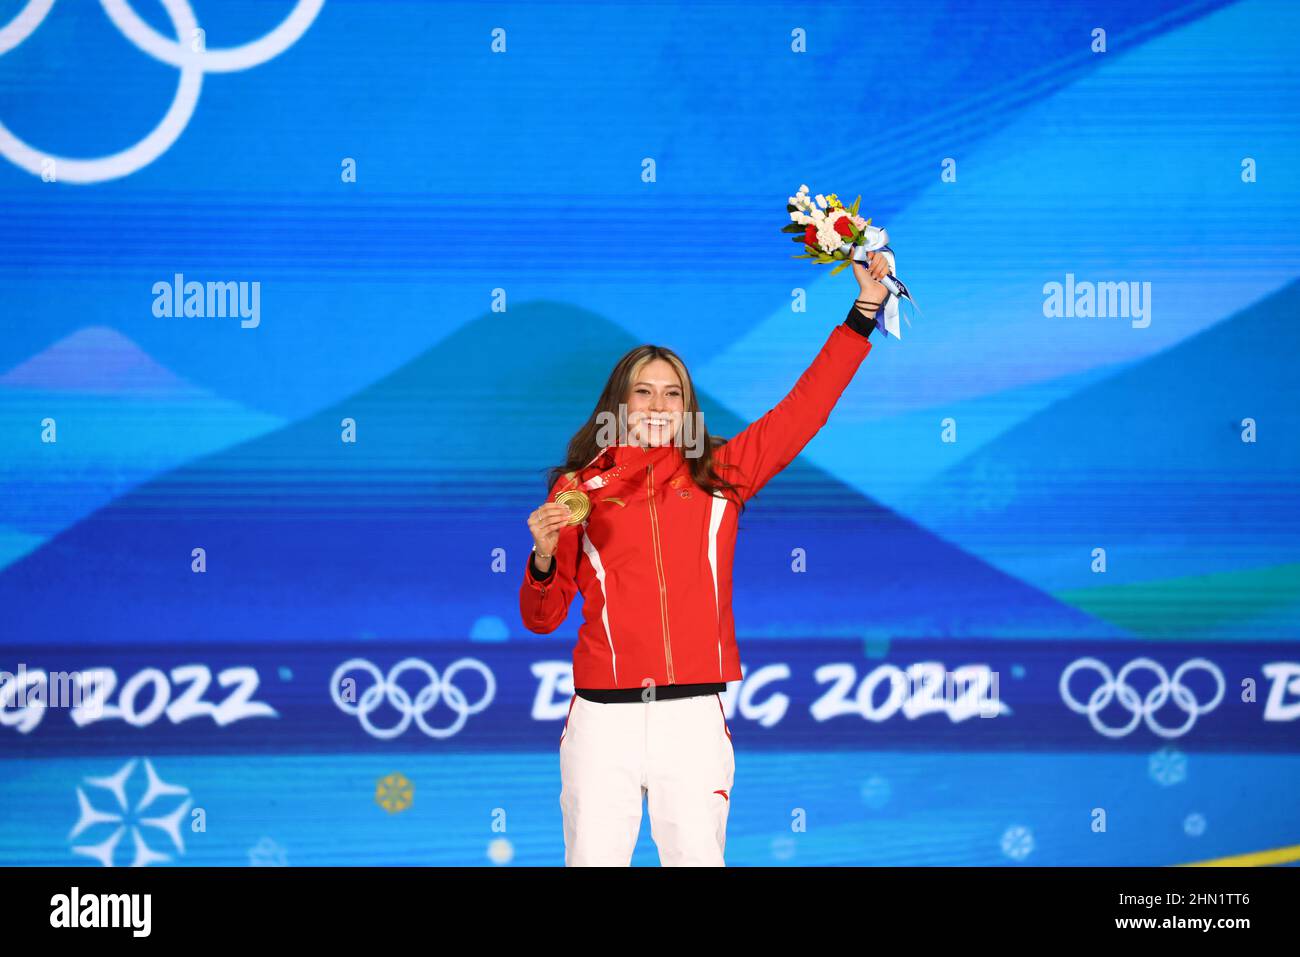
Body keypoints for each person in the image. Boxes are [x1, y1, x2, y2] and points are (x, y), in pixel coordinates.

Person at [521, 252, 892, 866]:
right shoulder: (575, 491)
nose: (658, 406)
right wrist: (540, 556)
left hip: (691, 719)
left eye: (673, 394)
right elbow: (543, 615)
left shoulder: (722, 473)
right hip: (600, 722)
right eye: (643, 392)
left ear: (687, 408)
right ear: (618, 404)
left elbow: (804, 411)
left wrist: (864, 312)